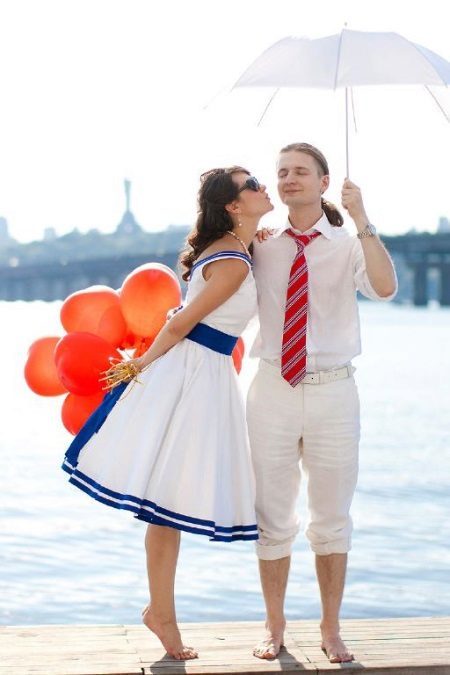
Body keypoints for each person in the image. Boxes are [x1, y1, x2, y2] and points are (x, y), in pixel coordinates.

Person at [62, 166, 274, 660]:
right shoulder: (234, 260)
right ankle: (163, 615)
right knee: (166, 502)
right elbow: (182, 322)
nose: (263, 187)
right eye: (253, 184)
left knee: (167, 504)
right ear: (233, 205)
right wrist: (140, 362)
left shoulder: (236, 249)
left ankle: (161, 612)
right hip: (192, 376)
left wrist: (254, 241)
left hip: (201, 373)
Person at [247, 143, 397, 663]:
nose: (289, 179)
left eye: (300, 172)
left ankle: (331, 628)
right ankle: (274, 624)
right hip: (272, 389)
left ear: (324, 181)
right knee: (272, 514)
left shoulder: (347, 242)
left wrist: (362, 219)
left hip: (335, 389)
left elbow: (384, 287)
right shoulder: (261, 243)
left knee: (332, 515)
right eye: (282, 172)